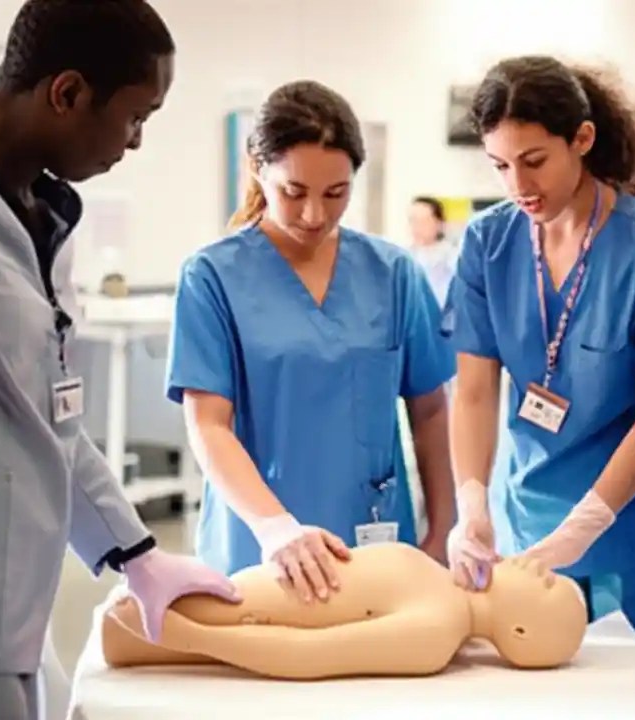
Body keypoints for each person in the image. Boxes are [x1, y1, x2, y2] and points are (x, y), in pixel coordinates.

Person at [0, 2, 240, 718]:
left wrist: (136, 553)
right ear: (68, 92)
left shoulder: (42, 216)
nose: (137, 141)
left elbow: (50, 415)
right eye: (137, 116)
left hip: (11, 603)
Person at [445, 55, 635, 680]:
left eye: (534, 161)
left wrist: (585, 524)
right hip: (525, 527)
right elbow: (476, 392)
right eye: (500, 166)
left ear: (582, 140)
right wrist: (471, 501)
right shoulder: (489, 242)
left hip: (633, 532)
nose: (517, 186)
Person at [165, 80, 456, 606]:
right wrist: (276, 528)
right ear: (257, 166)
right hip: (261, 545)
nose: (314, 215)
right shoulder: (213, 277)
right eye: (294, 193)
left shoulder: (393, 274)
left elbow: (430, 409)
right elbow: (208, 423)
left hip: (378, 541)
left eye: (336, 194)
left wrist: (445, 525)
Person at [100, 544, 588, 678]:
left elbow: (309, 654)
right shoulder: (439, 585)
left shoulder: (436, 632)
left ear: (521, 632)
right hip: (203, 596)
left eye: (547, 585)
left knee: (118, 622)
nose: (536, 567)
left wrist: (186, 636)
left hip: (161, 622)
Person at [407, 195, 458, 309]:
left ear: (439, 224)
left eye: (424, 221)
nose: (417, 227)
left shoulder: (453, 258)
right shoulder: (404, 257)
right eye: (413, 220)